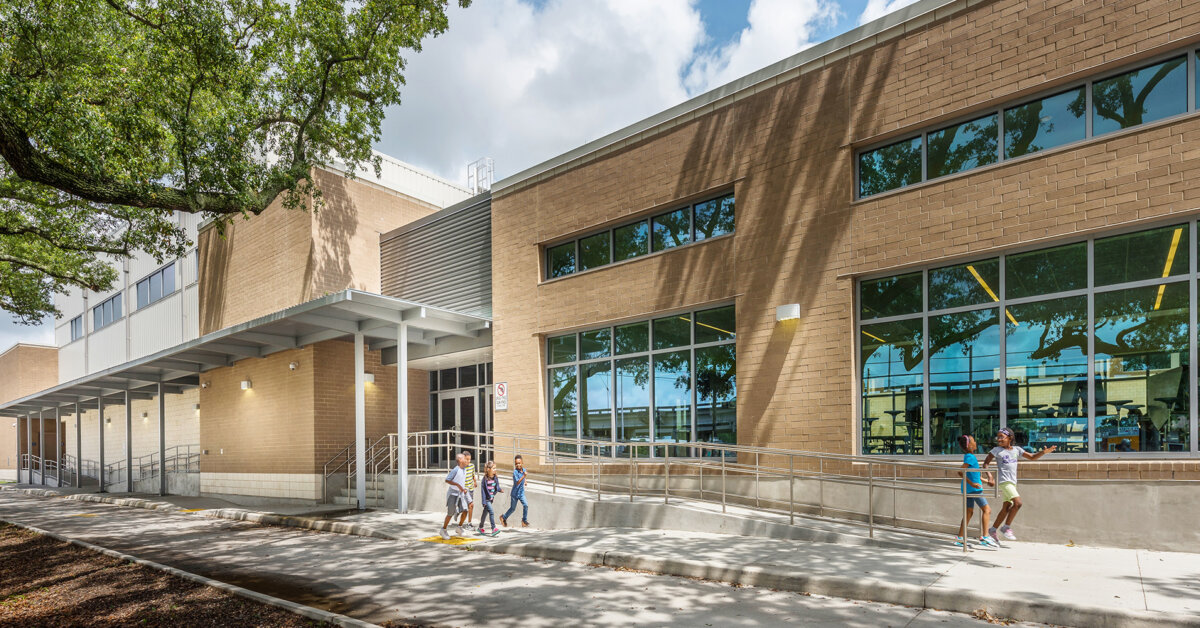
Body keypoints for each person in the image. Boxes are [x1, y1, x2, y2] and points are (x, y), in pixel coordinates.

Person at [982, 427, 1055, 541]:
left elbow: (1032, 457)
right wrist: (990, 476)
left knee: (1006, 507)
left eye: (1002, 437)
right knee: (1018, 503)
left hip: (1012, 482)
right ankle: (1006, 527)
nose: (999, 439)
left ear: (1010, 438)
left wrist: (1044, 452)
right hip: (1004, 482)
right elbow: (985, 463)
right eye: (998, 437)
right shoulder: (996, 450)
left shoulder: (1017, 450)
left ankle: (992, 529)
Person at [955, 434, 998, 548]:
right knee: (987, 510)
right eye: (973, 441)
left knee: (969, 512)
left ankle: (960, 538)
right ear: (969, 445)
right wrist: (972, 483)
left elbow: (973, 474)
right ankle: (985, 537)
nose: (976, 442)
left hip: (970, 488)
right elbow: (961, 472)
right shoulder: (970, 457)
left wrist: (984, 480)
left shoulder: (970, 457)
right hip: (974, 489)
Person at [440, 453, 469, 540]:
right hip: (453, 494)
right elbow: (447, 480)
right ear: (460, 460)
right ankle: (443, 529)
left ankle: (459, 527)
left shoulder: (464, 469)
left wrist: (464, 488)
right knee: (450, 513)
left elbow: (462, 480)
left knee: (465, 510)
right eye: (464, 458)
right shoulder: (456, 470)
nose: (466, 460)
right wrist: (458, 485)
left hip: (461, 494)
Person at [499, 454, 529, 527]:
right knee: (512, 509)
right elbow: (517, 482)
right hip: (514, 494)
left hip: (521, 493)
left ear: (522, 463)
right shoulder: (515, 472)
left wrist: (525, 481)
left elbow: (523, 478)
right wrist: (524, 476)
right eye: (516, 463)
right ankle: (503, 517)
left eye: (519, 463)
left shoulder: (524, 470)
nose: (518, 465)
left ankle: (524, 521)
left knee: (526, 505)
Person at [478, 460, 503, 536]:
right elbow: (483, 491)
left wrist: (500, 489)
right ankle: (493, 528)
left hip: (491, 498)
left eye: (495, 468)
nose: (495, 470)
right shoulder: (485, 479)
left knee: (485, 513)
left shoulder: (495, 477)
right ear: (489, 469)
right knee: (491, 512)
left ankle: (480, 527)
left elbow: (497, 486)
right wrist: (484, 502)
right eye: (493, 468)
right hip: (487, 499)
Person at [461, 451, 477, 529]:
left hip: (470, 489)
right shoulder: (461, 468)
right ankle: (458, 514)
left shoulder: (472, 466)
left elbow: (473, 475)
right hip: (463, 490)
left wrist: (475, 481)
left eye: (469, 459)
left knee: (471, 506)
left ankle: (469, 523)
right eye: (466, 459)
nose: (468, 461)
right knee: (464, 508)